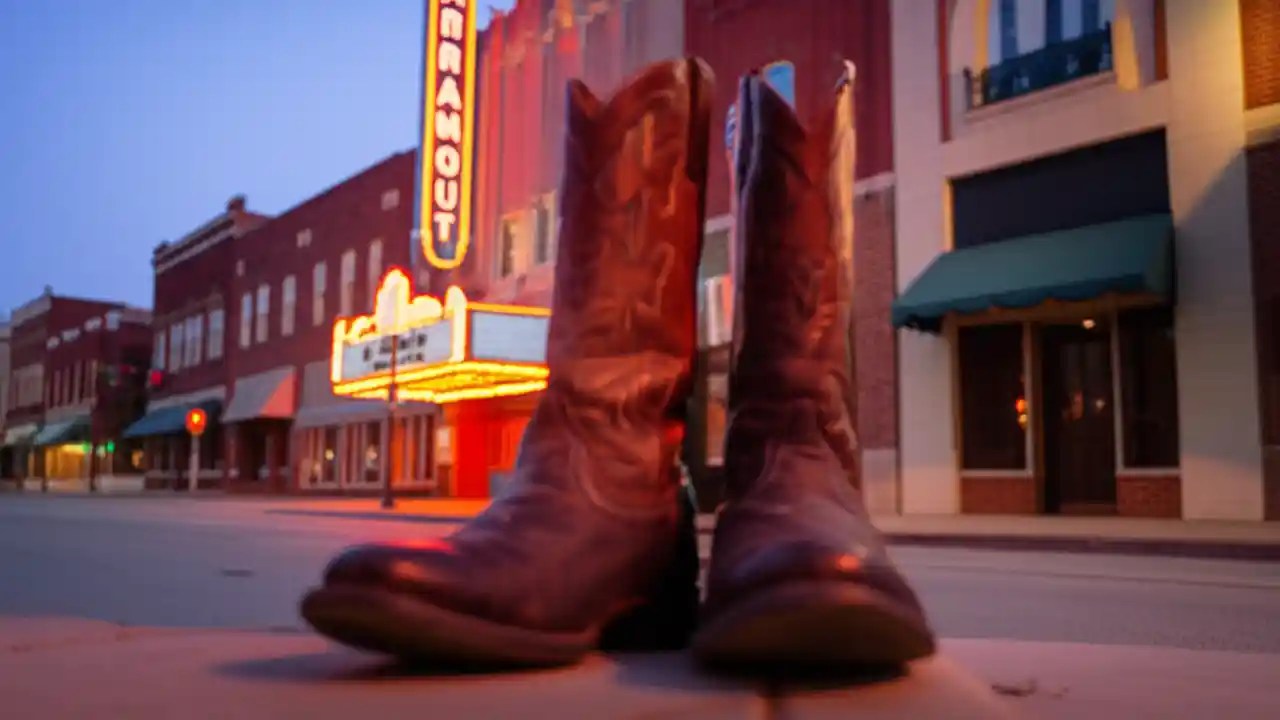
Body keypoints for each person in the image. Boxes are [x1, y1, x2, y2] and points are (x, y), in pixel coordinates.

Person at [300, 57, 935, 671]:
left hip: (787, 488)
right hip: (611, 491)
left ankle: (760, 483)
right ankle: (634, 521)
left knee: (796, 391)